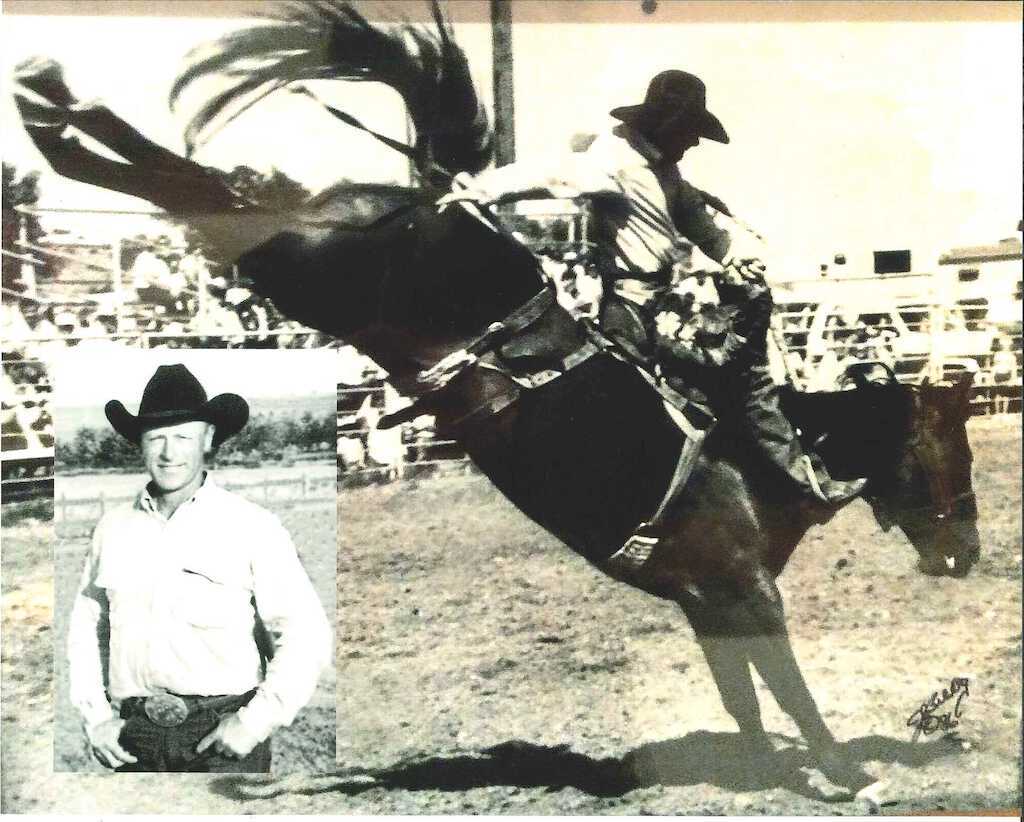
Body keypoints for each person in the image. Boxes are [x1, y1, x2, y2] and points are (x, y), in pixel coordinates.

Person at [438, 70, 864, 504]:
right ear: (669, 124)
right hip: (629, 309)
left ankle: (740, 483)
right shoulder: (615, 160)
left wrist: (740, 259)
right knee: (716, 391)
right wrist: (485, 189)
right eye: (691, 131)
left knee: (730, 388)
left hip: (661, 307)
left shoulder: (667, 172)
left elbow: (704, 227)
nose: (695, 142)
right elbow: (556, 174)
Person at [66, 364, 331, 773]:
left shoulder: (253, 525)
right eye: (156, 439)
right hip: (134, 737)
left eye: (183, 437)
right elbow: (87, 631)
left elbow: (305, 634)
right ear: (140, 444)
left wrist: (252, 722)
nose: (169, 453)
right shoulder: (112, 528)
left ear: (208, 439)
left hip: (219, 736)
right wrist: (96, 718)